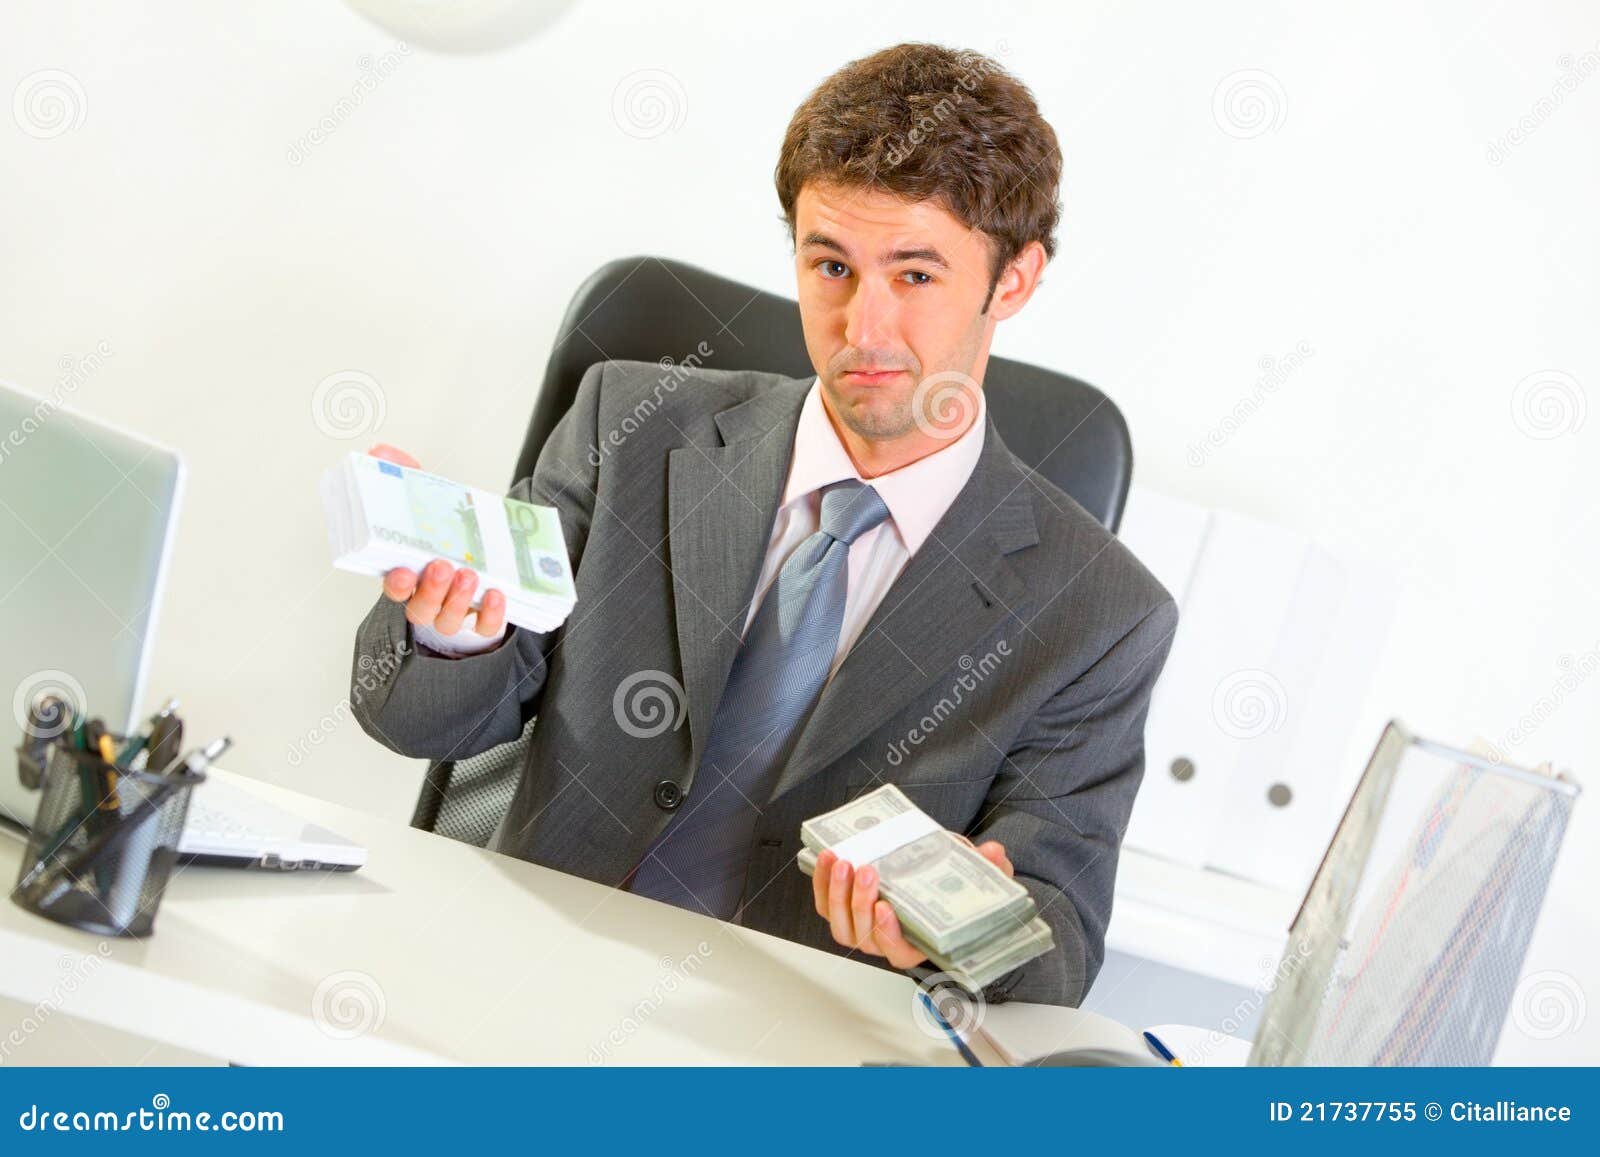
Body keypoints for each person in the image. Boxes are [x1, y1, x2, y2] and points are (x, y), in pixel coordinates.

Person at [351, 42, 1177, 1007]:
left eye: (915, 276)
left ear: (1015, 280)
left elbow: (1056, 955)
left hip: (790, 1063)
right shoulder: (632, 425)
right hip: (513, 993)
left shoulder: (1102, 615)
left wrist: (958, 931)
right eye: (831, 265)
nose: (862, 328)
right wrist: (453, 627)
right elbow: (409, 718)